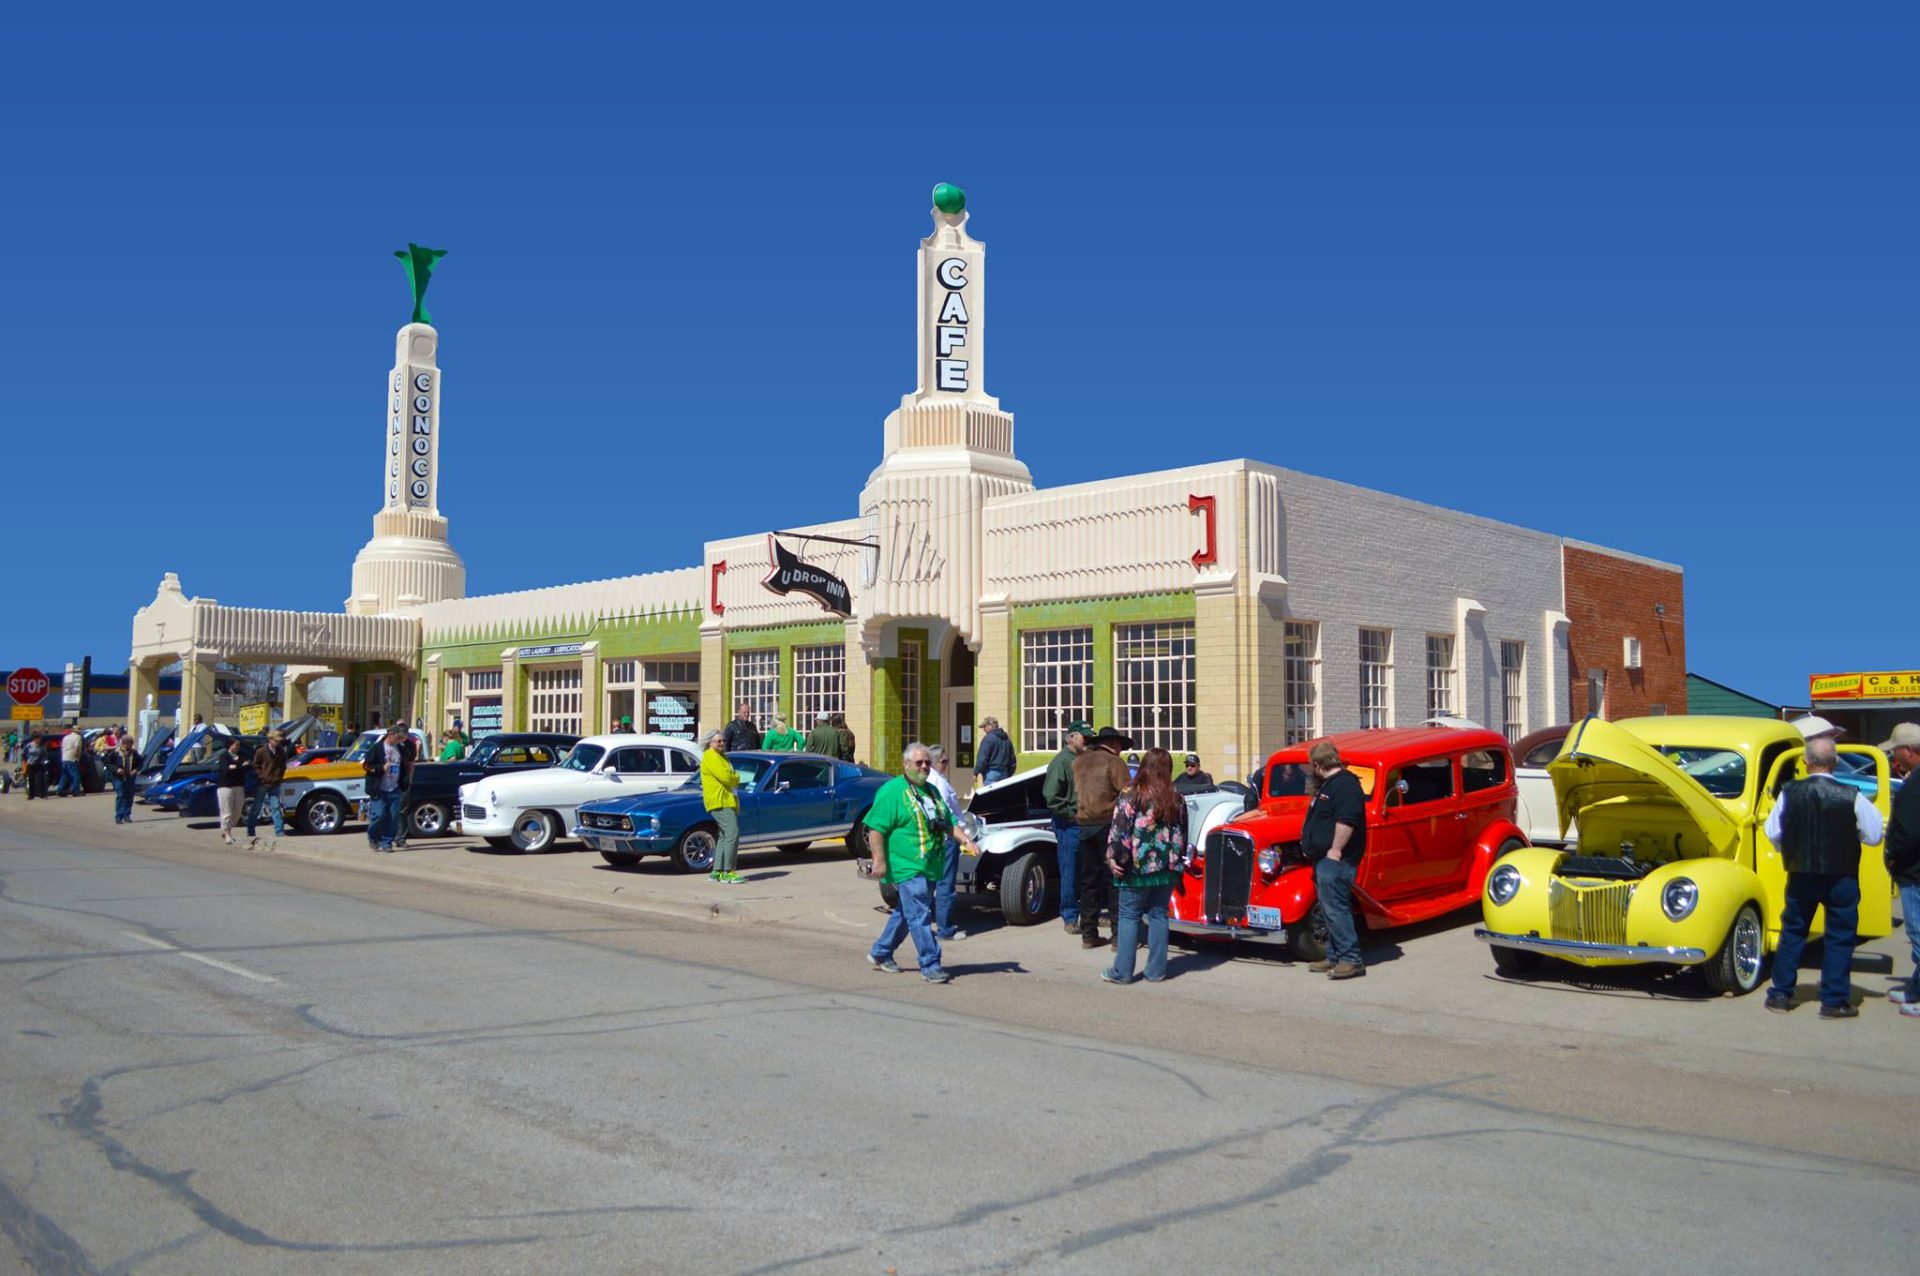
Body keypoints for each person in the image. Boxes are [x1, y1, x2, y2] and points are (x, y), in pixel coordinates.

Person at [1764, 735, 1885, 1017]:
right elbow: (1873, 835)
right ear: (1835, 762)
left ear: (1806, 761)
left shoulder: (1789, 793)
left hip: (1801, 873)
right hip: (1841, 875)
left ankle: (1780, 994)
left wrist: (1793, 845)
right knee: (1840, 937)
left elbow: (1773, 832)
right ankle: (1834, 1000)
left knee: (1793, 933)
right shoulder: (1852, 795)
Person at [864, 742, 953, 984]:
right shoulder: (892, 791)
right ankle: (930, 963)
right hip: (907, 865)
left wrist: (966, 840)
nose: (924, 766)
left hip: (930, 864)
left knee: (907, 912)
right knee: (920, 914)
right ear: (906, 764)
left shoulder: (931, 791)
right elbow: (875, 829)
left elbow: (948, 822)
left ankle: (881, 951)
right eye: (919, 762)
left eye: (927, 763)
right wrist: (879, 861)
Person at [1102, 747, 1188, 985]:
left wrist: (1112, 859)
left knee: (1129, 916)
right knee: (1159, 915)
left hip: (1136, 868)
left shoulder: (1131, 794)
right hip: (1166, 868)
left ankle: (1122, 972)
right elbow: (1183, 833)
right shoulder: (1176, 797)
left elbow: (1119, 830)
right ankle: (1156, 971)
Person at [1303, 740, 1369, 979]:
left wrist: (1336, 850)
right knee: (1327, 909)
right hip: (1323, 859)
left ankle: (1351, 959)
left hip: (1337, 860)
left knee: (1336, 909)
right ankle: (1334, 955)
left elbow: (1346, 821)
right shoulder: (1329, 785)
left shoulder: (1345, 785)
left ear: (1318, 765)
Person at [1073, 726, 1134, 948]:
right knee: (1114, 879)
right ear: (1114, 744)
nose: (1121, 750)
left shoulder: (1079, 761)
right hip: (1109, 825)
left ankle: (1088, 933)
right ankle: (1118, 936)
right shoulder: (1114, 762)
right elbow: (1128, 793)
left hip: (1084, 825)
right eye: (1120, 746)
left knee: (1088, 881)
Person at [1880, 723, 1920, 1019]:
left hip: (1914, 872)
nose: (1894, 757)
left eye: (1895, 751)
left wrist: (1892, 855)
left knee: (1918, 935)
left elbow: (1910, 832)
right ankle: (1915, 989)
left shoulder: (1915, 784)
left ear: (1909, 751)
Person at [925, 745, 979, 941]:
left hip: (935, 838)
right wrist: (963, 838)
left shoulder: (927, 780)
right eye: (944, 761)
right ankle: (945, 929)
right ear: (936, 762)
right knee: (945, 885)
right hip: (946, 838)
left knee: (931, 885)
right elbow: (946, 813)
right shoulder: (938, 782)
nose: (946, 765)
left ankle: (927, 926)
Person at [1043, 721, 1089, 933]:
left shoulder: (1085, 758)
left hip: (1088, 821)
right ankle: (1070, 916)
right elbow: (1051, 796)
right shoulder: (1061, 761)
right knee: (1069, 870)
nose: (1086, 740)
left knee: (1088, 870)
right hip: (1069, 824)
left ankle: (1089, 913)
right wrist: (1071, 815)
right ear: (1071, 738)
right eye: (1083, 736)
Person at [362, 723, 412, 853]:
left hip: (395, 788)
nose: (399, 740)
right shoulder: (377, 748)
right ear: (390, 735)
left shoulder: (400, 749)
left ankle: (387, 842)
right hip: (379, 788)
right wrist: (380, 768)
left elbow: (405, 766)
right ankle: (373, 838)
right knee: (378, 815)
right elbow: (366, 766)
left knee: (393, 817)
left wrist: (405, 782)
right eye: (397, 737)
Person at [700, 729, 741, 883]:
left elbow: (728, 775)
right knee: (732, 832)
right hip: (719, 800)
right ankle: (728, 871)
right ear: (710, 743)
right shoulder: (711, 756)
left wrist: (733, 777)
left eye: (723, 741)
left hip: (726, 799)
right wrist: (737, 777)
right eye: (718, 741)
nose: (722, 743)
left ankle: (717, 871)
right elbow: (727, 777)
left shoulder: (721, 756)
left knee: (724, 835)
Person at [247, 727, 290, 847]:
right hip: (263, 783)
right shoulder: (261, 751)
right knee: (257, 807)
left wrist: (279, 777)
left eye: (279, 741)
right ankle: (250, 830)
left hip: (275, 783)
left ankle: (279, 831)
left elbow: (283, 766)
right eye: (276, 740)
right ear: (270, 739)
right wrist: (262, 777)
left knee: (276, 807)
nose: (278, 743)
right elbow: (256, 765)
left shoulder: (281, 752)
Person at [214, 736, 249, 845]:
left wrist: (235, 767)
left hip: (239, 785)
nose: (238, 747)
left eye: (239, 745)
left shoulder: (242, 756)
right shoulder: (224, 756)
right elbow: (226, 770)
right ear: (230, 745)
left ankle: (228, 828)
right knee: (226, 810)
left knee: (238, 809)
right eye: (236, 745)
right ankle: (227, 833)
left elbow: (247, 767)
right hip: (225, 786)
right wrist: (239, 767)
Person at [108, 734, 141, 824]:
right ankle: (119, 816)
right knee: (121, 795)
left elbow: (140, 763)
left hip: (130, 777)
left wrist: (136, 770)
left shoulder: (134, 753)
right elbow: (109, 764)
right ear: (124, 743)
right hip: (119, 778)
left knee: (129, 797)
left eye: (131, 743)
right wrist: (117, 769)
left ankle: (127, 815)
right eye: (128, 743)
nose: (130, 745)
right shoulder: (116, 753)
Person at [975, 717, 1014, 786]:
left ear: (990, 726)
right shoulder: (1007, 739)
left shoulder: (988, 739)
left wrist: (976, 772)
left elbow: (982, 759)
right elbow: (1012, 759)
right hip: (1004, 774)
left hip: (991, 774)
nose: (983, 729)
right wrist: (1009, 774)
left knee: (990, 793)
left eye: (984, 727)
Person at [56, 726, 85, 796]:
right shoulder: (78, 737)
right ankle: (76, 791)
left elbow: (62, 747)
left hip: (64, 758)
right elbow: (77, 747)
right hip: (72, 758)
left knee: (64, 775)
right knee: (75, 775)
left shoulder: (65, 737)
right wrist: (77, 756)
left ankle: (60, 790)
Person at [24, 733, 49, 800]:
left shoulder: (43, 746)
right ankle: (31, 795)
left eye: (40, 738)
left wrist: (45, 762)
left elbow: (45, 754)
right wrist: (27, 760)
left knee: (41, 780)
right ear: (34, 739)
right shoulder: (29, 745)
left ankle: (43, 795)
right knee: (31, 780)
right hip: (31, 765)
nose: (39, 740)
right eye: (38, 738)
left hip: (40, 765)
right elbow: (24, 754)